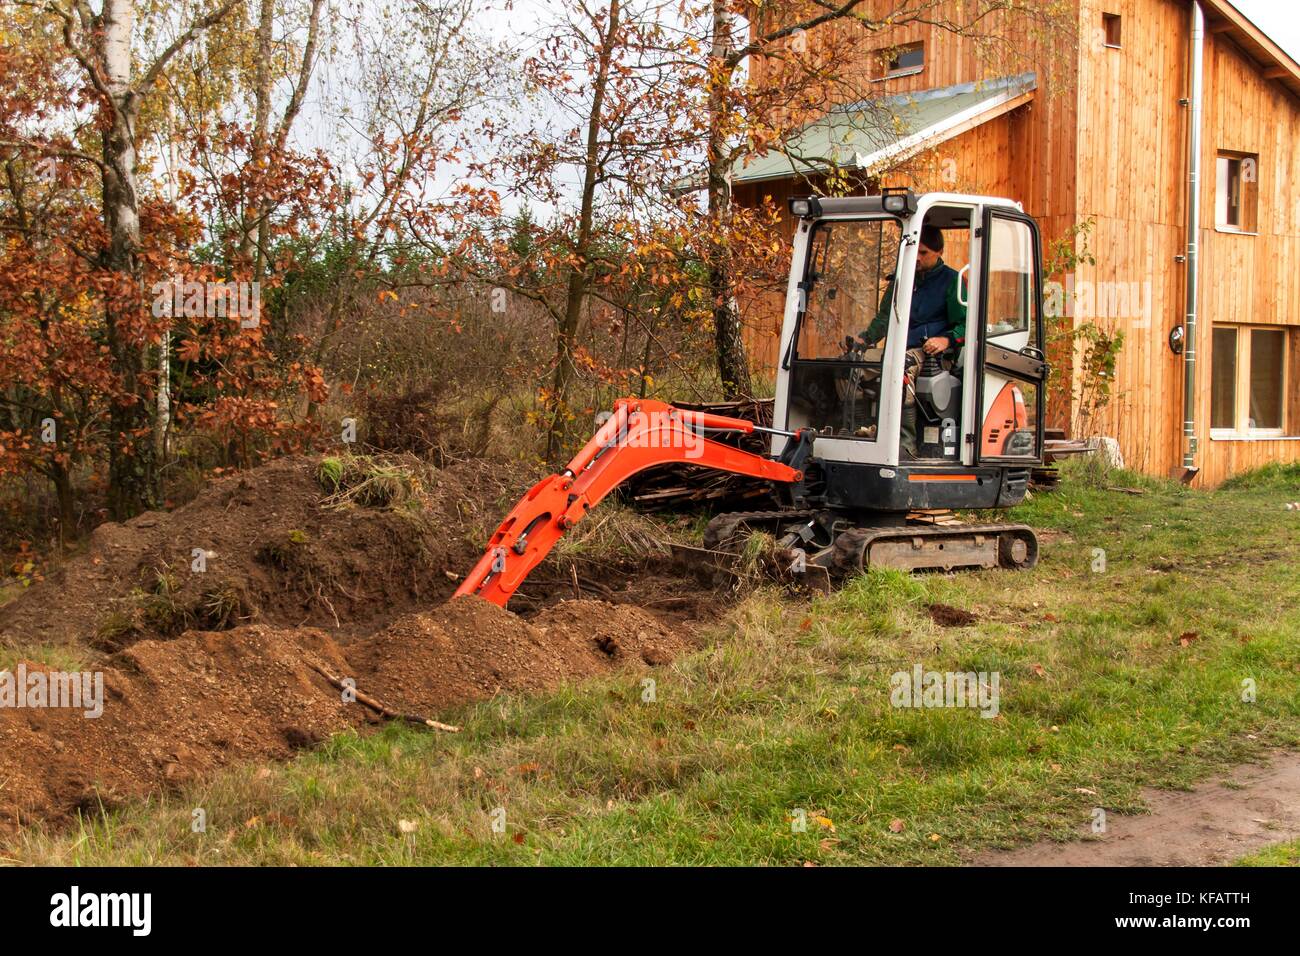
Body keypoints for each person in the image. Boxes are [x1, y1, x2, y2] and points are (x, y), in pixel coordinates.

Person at [859, 224, 967, 457]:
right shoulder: (902, 278)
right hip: (898, 348)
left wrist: (946, 340)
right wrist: (865, 339)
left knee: (901, 369)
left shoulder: (952, 281)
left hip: (931, 353)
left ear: (939, 252)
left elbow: (965, 324)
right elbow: (885, 317)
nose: (917, 257)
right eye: (914, 251)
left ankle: (905, 444)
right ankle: (859, 429)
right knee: (852, 365)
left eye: (923, 252)